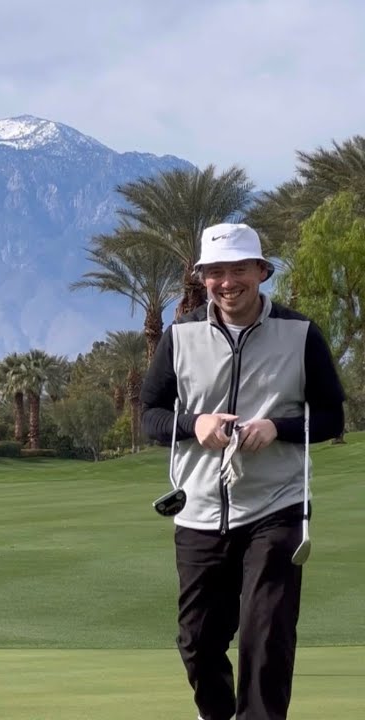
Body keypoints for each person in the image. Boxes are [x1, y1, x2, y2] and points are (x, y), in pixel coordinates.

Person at [140, 223, 345, 720]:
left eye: (238, 270)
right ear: (202, 278)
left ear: (261, 272)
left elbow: (333, 416)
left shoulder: (300, 334)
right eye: (216, 272)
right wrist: (195, 423)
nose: (227, 282)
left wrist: (278, 427)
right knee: (197, 641)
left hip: (277, 505)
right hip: (200, 509)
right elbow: (150, 415)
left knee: (267, 636)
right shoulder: (181, 335)